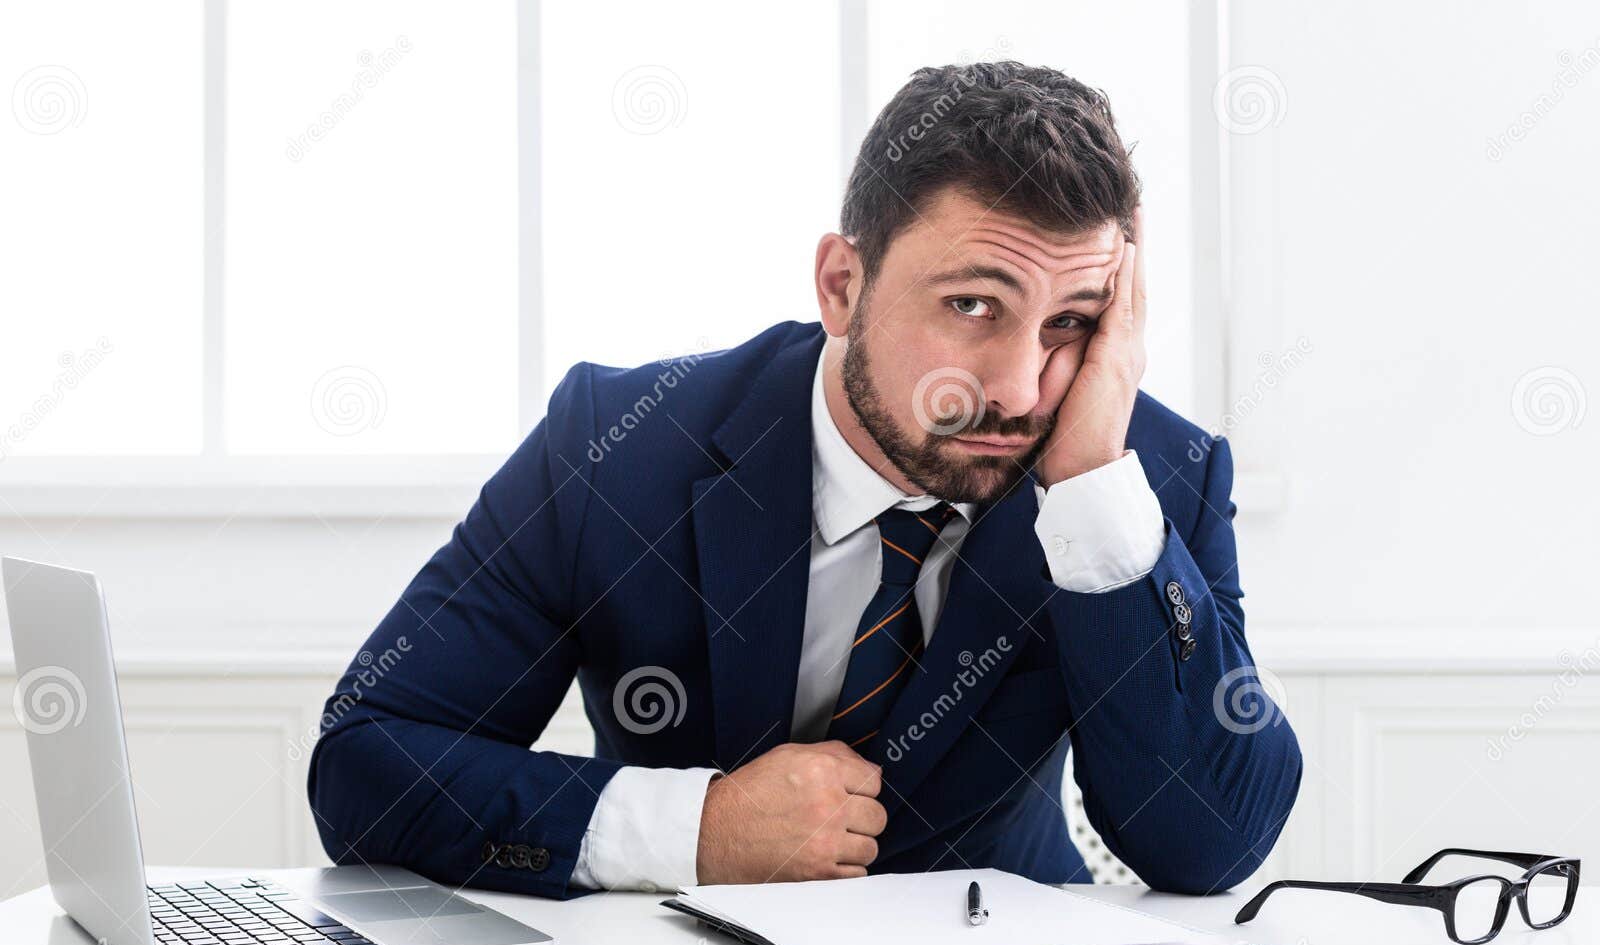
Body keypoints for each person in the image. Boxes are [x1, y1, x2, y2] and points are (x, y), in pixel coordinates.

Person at [308, 61, 1301, 898]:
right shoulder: (618, 446)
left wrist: (1090, 491)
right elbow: (365, 766)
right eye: (970, 303)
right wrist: (693, 830)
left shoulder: (1144, 475)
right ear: (841, 286)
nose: (1015, 387)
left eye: (1072, 323)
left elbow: (1208, 845)